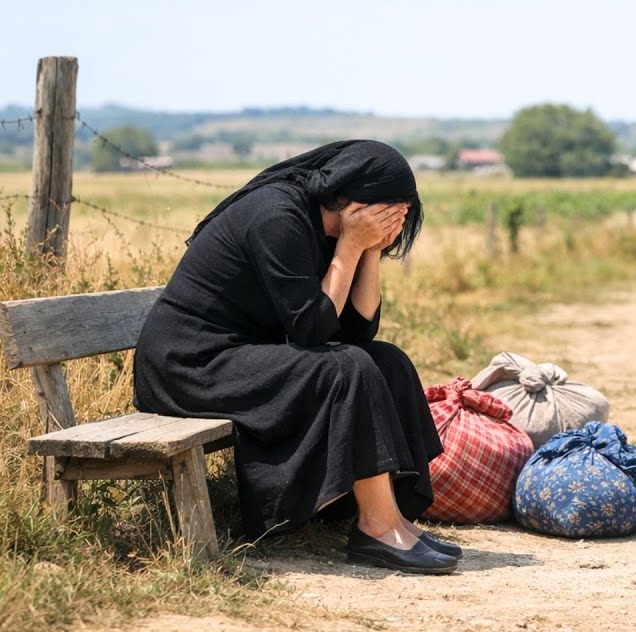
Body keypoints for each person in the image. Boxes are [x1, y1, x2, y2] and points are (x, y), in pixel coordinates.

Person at [134, 139, 459, 575]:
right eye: (386, 212)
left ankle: (393, 517)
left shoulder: (325, 224)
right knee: (349, 367)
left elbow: (357, 330)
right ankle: (376, 527)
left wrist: (370, 251)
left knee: (385, 361)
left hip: (245, 353)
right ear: (353, 198)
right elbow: (312, 332)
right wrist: (348, 247)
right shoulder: (278, 215)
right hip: (191, 365)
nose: (392, 223)